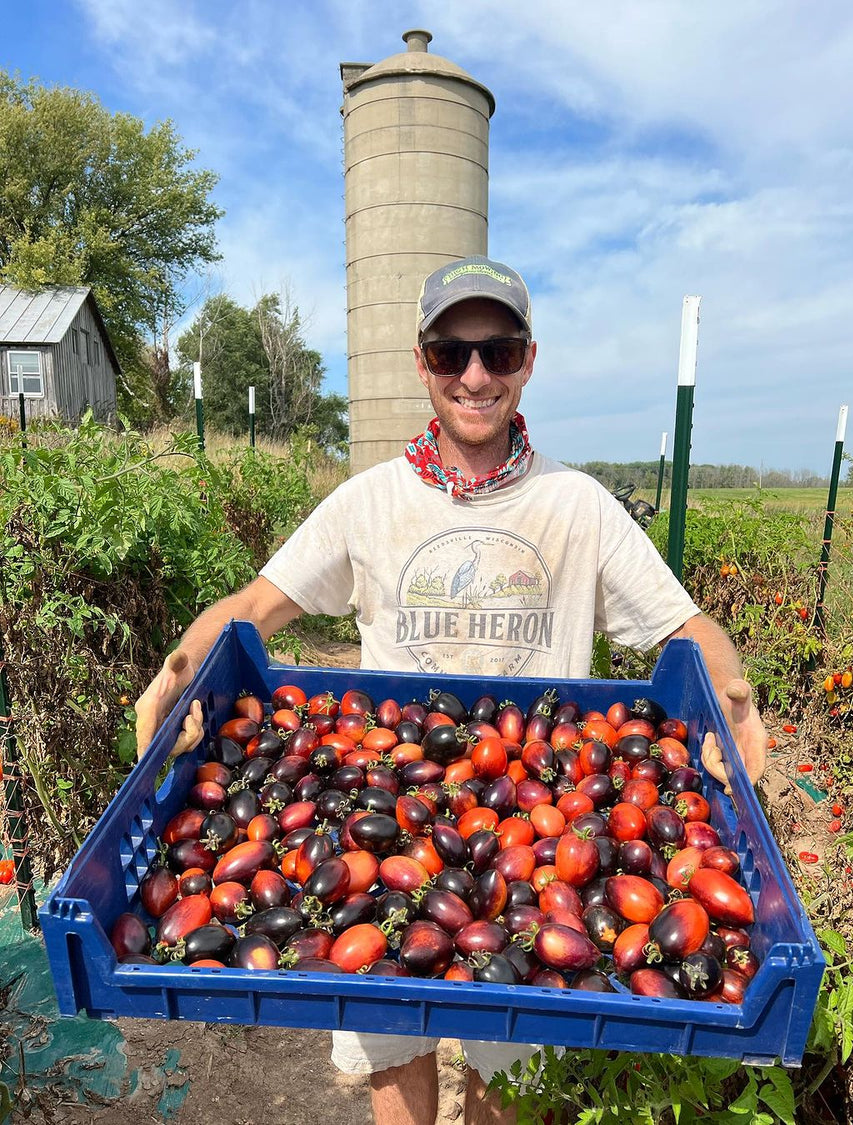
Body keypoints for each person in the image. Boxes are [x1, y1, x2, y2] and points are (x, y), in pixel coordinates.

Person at [135, 255, 767, 1125]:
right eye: (451, 352)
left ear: (528, 360)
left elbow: (688, 630)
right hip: (393, 810)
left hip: (540, 810)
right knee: (395, 1059)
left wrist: (735, 692)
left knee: (516, 1079)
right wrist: (179, 666)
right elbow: (249, 608)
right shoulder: (369, 503)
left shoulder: (577, 505)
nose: (475, 375)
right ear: (422, 360)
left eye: (498, 351)